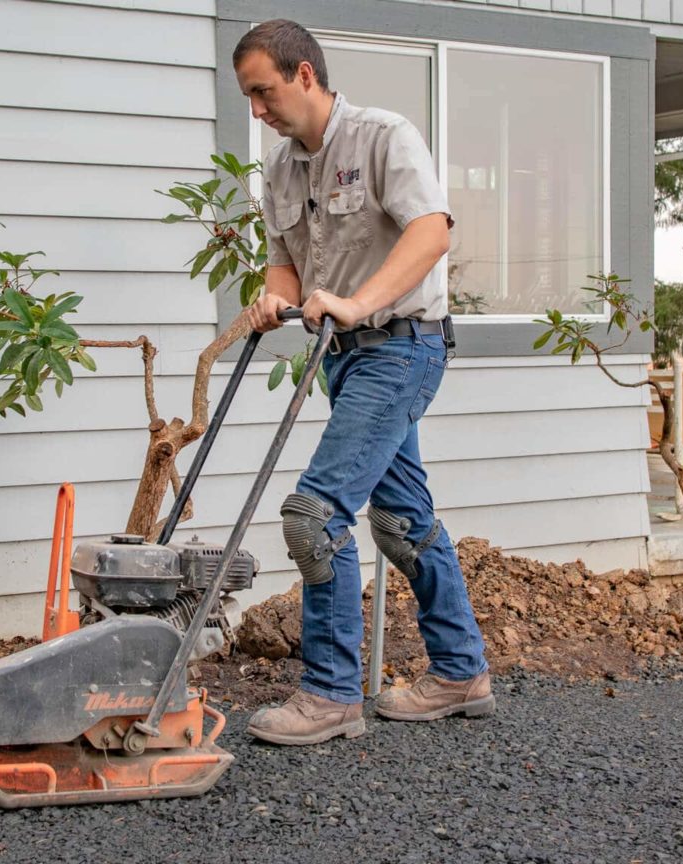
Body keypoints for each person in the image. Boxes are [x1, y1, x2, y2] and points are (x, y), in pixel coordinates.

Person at [233, 19, 493, 747]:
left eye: (263, 91)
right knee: (399, 520)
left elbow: (432, 232)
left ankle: (330, 694)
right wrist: (271, 293)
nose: (257, 110)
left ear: (305, 75)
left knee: (314, 515)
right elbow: (287, 259)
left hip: (403, 347)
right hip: (342, 358)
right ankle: (461, 672)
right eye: (248, 97)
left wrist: (356, 301)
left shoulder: (384, 136)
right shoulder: (282, 170)